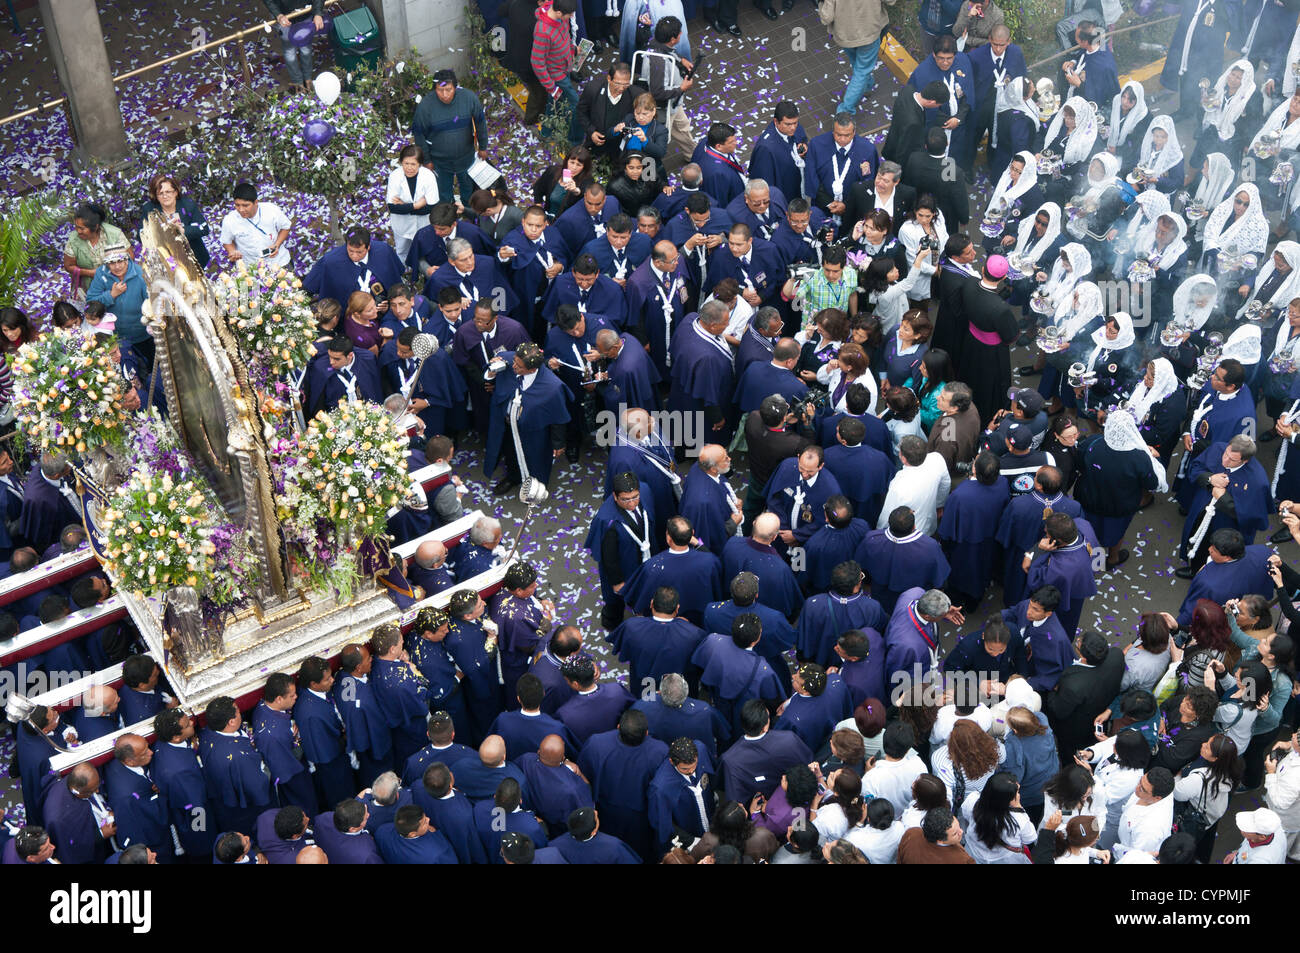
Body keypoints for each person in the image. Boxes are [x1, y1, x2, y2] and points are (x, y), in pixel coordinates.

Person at [937, 450, 1010, 610]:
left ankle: (956, 602)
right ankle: (972, 604)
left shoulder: (960, 494)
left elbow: (947, 528)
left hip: (964, 543)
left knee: (958, 574)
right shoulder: (1003, 483)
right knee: (981, 571)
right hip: (989, 539)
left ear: (975, 470)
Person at [1045, 631, 1126, 762]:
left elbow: (1058, 710)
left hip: (1076, 727)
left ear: (1084, 657)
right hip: (1101, 710)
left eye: (1078, 643)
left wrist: (1053, 692)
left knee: (1069, 751)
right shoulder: (1116, 655)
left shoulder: (1073, 685)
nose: (1077, 641)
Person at [411, 69, 489, 205]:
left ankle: (467, 209)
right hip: (439, 160)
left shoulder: (469, 98)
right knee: (443, 191)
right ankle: (447, 211)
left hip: (466, 156)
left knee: (467, 186)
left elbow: (480, 122)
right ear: (434, 88)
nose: (444, 95)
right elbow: (419, 135)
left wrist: (483, 146)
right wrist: (427, 160)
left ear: (455, 87)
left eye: (448, 89)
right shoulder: (425, 106)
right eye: (440, 90)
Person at [718, 700, 815, 807]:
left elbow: (732, 794)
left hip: (755, 807)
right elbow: (808, 763)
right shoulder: (789, 740)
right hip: (791, 799)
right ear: (765, 727)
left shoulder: (729, 759)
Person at [1161, 0, 1232, 120]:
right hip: (1189, 43)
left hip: (1210, 47)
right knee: (1186, 75)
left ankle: (1202, 118)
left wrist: (1215, 4)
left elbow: (1232, 16)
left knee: (1206, 81)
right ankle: (1185, 110)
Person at [820, 0, 894, 114]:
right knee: (862, 71)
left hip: (845, 36)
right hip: (869, 34)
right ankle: (845, 110)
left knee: (857, 64)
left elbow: (826, 17)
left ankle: (867, 85)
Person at [876, 435, 951, 536]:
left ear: (903, 458)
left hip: (908, 531)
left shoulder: (898, 485)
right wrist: (939, 505)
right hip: (929, 524)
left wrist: (878, 530)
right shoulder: (937, 458)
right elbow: (946, 484)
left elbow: (888, 513)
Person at [532, 0, 581, 145]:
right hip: (557, 77)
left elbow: (564, 38)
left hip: (564, 69)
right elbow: (537, 62)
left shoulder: (561, 18)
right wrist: (551, 87)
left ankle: (545, 131)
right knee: (577, 106)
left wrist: (572, 50)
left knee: (554, 101)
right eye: (570, 14)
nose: (572, 17)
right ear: (559, 13)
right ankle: (575, 143)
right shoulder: (543, 31)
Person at [140, 173, 210, 267]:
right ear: (156, 196)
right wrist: (160, 232)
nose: (165, 196)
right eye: (160, 193)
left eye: (168, 192)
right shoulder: (149, 209)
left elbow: (204, 228)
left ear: (175, 192)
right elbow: (141, 234)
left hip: (195, 257)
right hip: (167, 262)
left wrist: (182, 230)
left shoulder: (188, 205)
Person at [578, 63, 646, 159]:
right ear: (609, 79)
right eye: (618, 83)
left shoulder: (636, 95)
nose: (622, 88)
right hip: (596, 143)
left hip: (620, 146)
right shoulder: (593, 89)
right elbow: (581, 112)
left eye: (626, 84)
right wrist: (591, 131)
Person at [219, 181, 291, 269]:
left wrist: (277, 245)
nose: (241, 209)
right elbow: (226, 241)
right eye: (237, 205)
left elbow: (285, 227)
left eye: (245, 205)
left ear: (256, 202)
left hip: (278, 262)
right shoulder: (230, 220)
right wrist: (232, 251)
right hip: (250, 268)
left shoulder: (271, 210)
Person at [62, 201, 129, 295]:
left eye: (82, 228)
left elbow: (130, 258)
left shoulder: (114, 234)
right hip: (88, 287)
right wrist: (90, 273)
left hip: (116, 283)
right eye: (76, 227)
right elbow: (69, 266)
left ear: (96, 227)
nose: (78, 231)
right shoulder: (74, 239)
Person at [1112, 767, 1176, 862]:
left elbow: (1137, 857)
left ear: (1157, 798)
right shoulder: (1162, 789)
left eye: (1142, 789)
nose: (1137, 787)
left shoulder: (1150, 830)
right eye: (1140, 781)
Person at [897, 806, 976, 863]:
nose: (961, 832)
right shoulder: (962, 859)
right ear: (940, 840)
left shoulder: (911, 834)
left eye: (959, 826)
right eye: (955, 833)